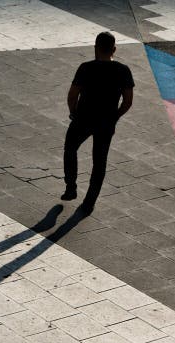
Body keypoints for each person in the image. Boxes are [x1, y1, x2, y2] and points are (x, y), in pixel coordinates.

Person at [62, 32, 134, 213]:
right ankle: (89, 202)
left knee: (70, 148)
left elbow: (72, 96)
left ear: (95, 47)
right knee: (99, 161)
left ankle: (71, 187)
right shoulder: (123, 70)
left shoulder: (85, 68)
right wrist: (115, 116)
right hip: (106, 122)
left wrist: (73, 113)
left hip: (83, 118)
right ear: (114, 49)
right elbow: (127, 101)